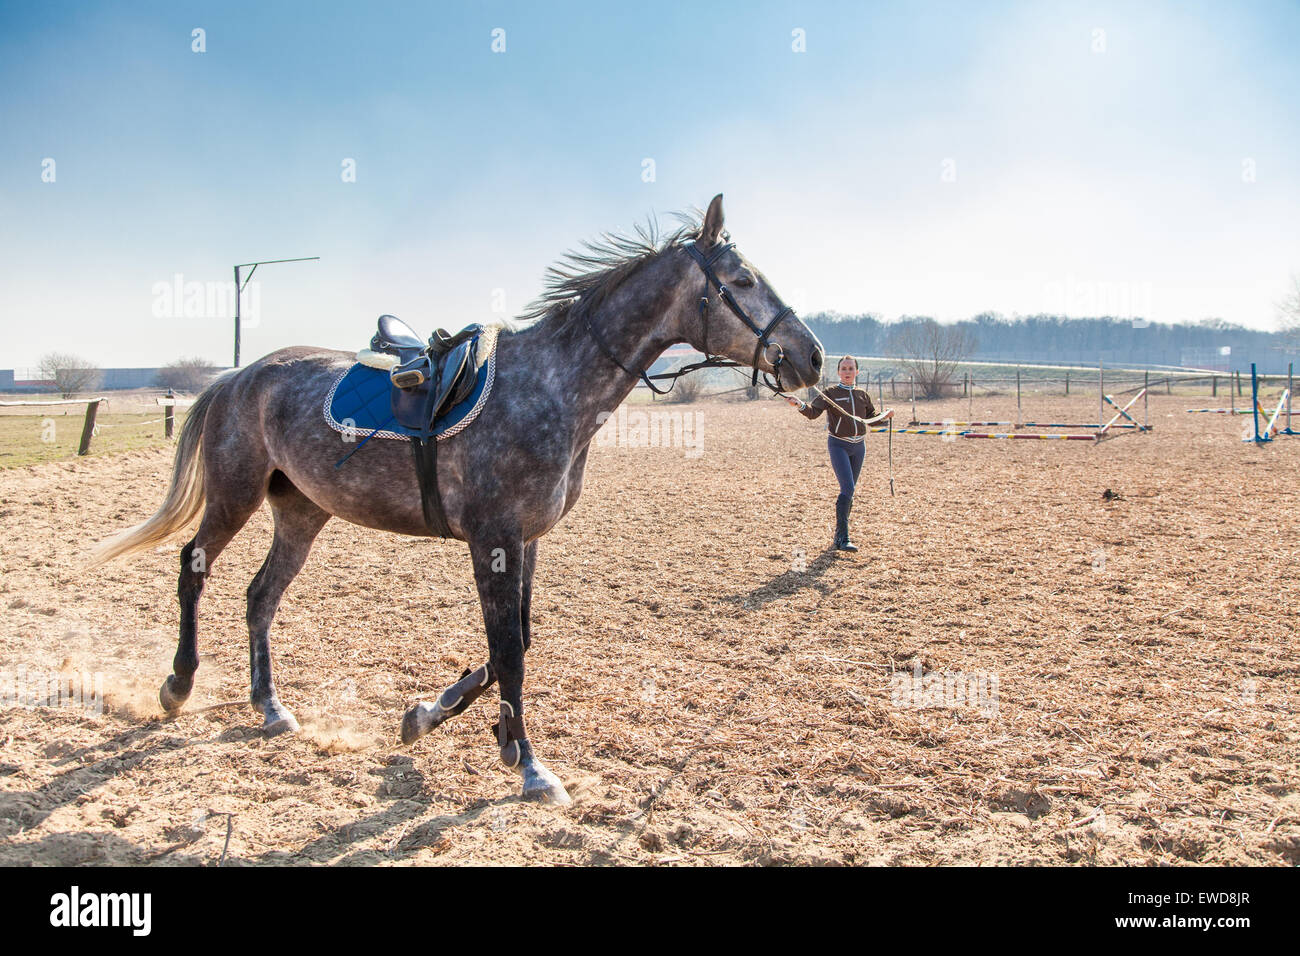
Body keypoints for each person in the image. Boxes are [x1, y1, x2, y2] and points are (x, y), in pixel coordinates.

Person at [785, 355, 892, 552]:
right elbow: (812, 413)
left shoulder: (862, 395)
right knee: (848, 488)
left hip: (859, 447)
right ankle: (843, 538)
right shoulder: (830, 394)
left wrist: (885, 416)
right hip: (838, 445)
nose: (847, 372)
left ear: (857, 372)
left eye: (851, 368)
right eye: (844, 369)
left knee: (850, 491)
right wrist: (799, 404)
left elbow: (872, 419)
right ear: (838, 372)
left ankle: (839, 535)